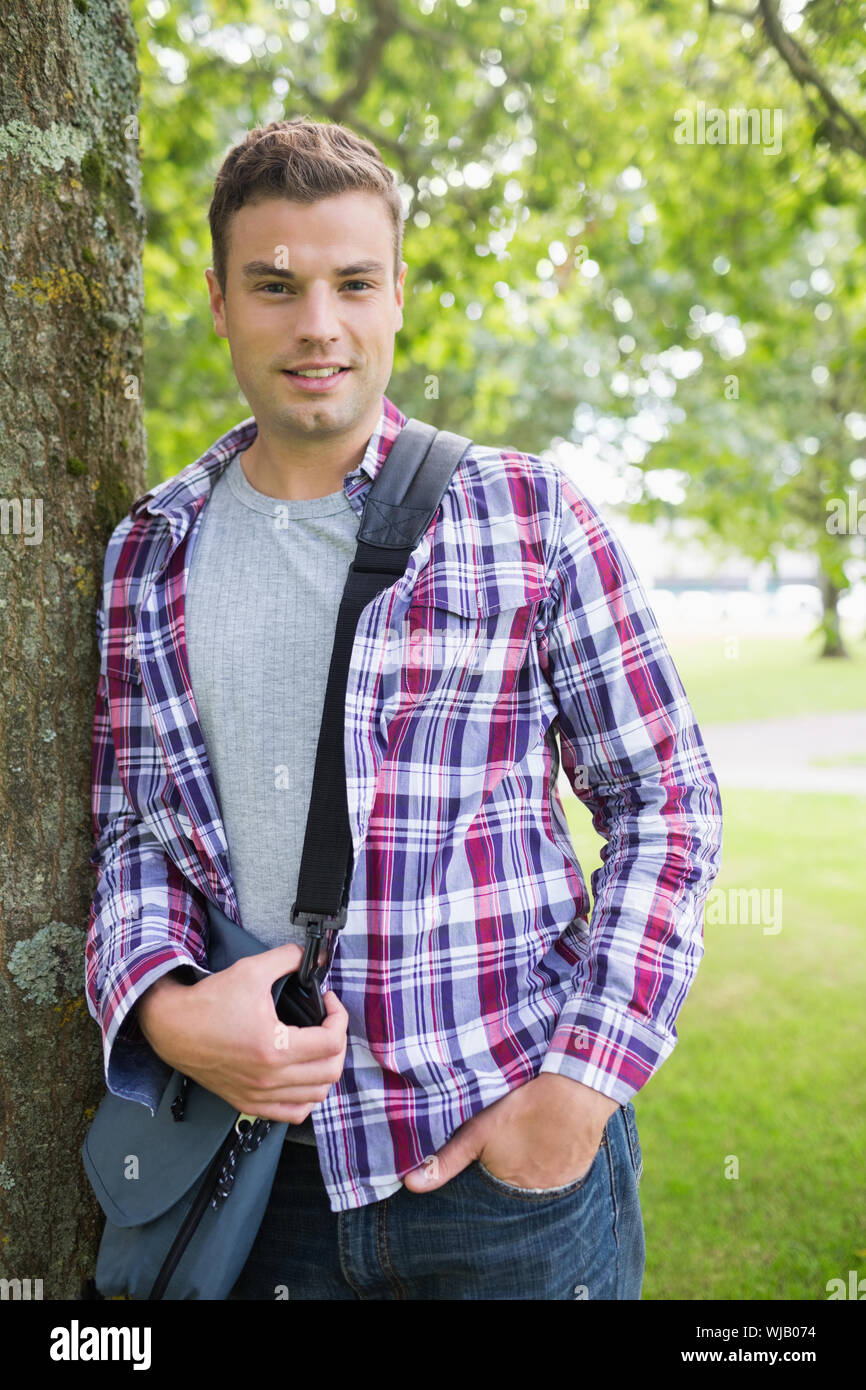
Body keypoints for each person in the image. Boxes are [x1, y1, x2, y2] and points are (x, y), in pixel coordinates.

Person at [86, 117, 723, 1301]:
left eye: (350, 283)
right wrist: (163, 1014)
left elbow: (666, 801)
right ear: (219, 301)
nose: (315, 323)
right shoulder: (149, 553)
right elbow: (134, 826)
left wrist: (581, 1083)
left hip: (501, 1172)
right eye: (274, 285)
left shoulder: (525, 516)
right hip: (258, 1173)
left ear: (394, 299)